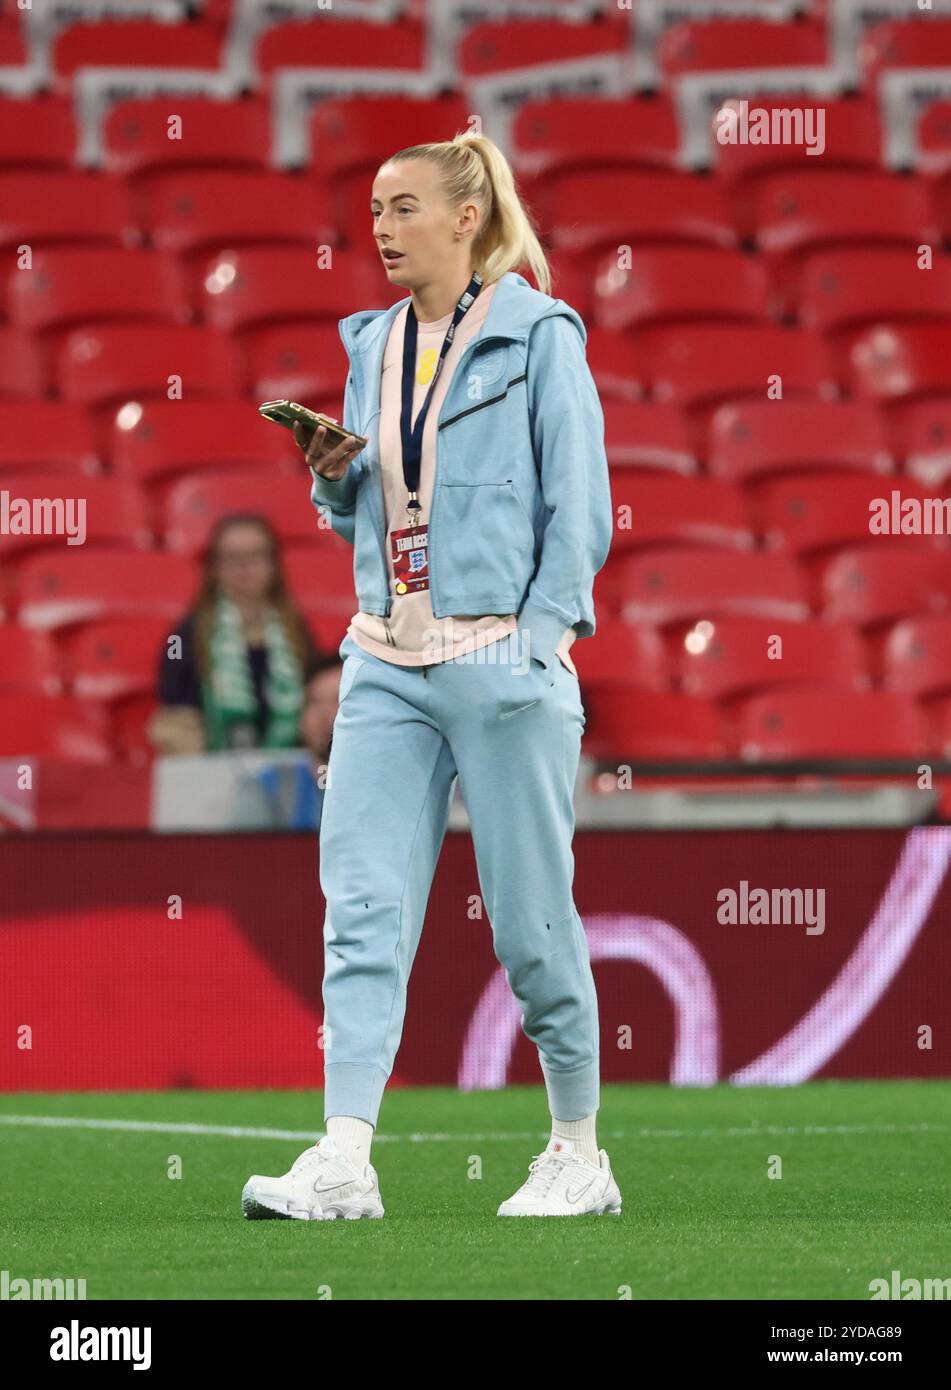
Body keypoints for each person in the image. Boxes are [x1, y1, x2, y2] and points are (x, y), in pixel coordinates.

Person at [241, 131, 617, 1221]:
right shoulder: (372, 346)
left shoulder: (540, 335)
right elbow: (374, 507)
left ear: (465, 217)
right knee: (360, 906)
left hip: (500, 656)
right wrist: (333, 477)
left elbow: (577, 505)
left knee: (529, 922)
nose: (381, 227)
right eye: (372, 208)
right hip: (382, 656)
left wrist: (540, 639)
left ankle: (577, 1151)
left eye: (402, 207)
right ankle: (345, 1156)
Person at [149, 514, 318, 755]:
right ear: (214, 568)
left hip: (289, 774)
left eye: (255, 556)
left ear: (274, 565)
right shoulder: (186, 637)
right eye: (232, 558)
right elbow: (178, 716)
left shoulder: (297, 633)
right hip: (212, 775)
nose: (244, 567)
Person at [232, 653, 343, 830]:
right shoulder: (268, 787)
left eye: (338, 701)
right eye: (315, 702)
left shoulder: (386, 786)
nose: (325, 715)